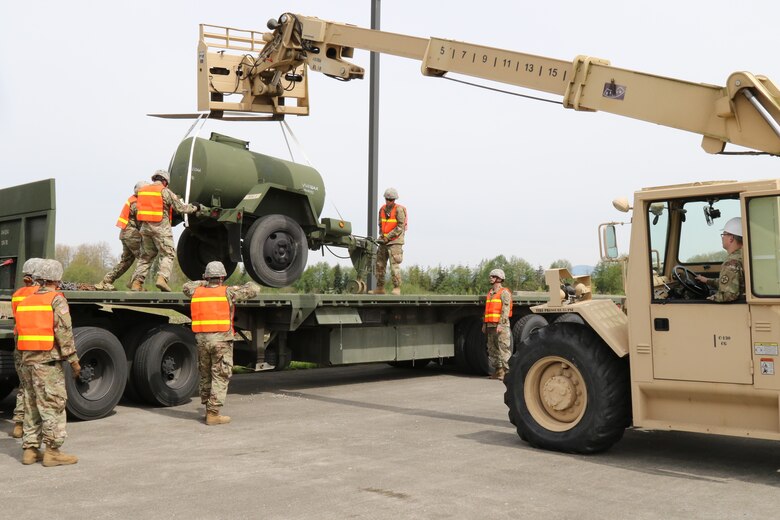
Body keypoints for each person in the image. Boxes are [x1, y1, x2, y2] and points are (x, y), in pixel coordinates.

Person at [15, 259, 81, 466]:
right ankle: (52, 452)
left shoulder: (27, 300)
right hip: (47, 362)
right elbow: (64, 333)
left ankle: (30, 450)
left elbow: (19, 333)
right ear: (56, 279)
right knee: (53, 404)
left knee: (31, 403)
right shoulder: (56, 299)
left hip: (27, 361)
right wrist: (73, 361)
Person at [182, 261, 260, 425]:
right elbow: (254, 289)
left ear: (206, 276)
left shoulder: (196, 291)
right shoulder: (228, 292)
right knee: (221, 375)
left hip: (202, 341)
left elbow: (186, 286)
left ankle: (207, 408)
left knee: (206, 375)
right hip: (221, 341)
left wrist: (204, 282)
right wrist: (239, 286)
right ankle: (213, 413)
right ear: (222, 277)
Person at [130, 170, 201, 292]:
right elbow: (180, 208)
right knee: (168, 253)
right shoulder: (164, 191)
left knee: (146, 256)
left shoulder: (143, 191)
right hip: (161, 228)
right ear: (164, 181)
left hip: (145, 228)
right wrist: (195, 207)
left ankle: (136, 283)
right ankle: (162, 279)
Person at [9, 258, 43, 439]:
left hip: (20, 340)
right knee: (33, 387)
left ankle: (18, 424)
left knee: (23, 383)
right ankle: (32, 425)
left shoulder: (17, 294)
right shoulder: (41, 293)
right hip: (36, 345)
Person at [95, 181, 146, 291]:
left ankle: (106, 281)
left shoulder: (133, 200)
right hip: (132, 235)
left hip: (126, 234)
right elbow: (141, 221)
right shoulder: (137, 203)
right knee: (145, 258)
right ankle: (134, 283)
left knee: (126, 261)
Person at [695, 216, 745, 302]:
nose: (722, 237)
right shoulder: (743, 255)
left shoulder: (731, 263)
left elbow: (729, 295)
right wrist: (707, 280)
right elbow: (732, 283)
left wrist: (709, 299)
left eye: (724, 234)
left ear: (731, 238)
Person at [372, 187, 406, 295]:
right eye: (387, 199)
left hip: (395, 242)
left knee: (394, 265)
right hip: (384, 241)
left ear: (394, 200)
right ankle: (380, 287)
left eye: (391, 199)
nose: (389, 201)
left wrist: (389, 237)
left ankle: (396, 287)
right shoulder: (382, 209)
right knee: (379, 264)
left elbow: (400, 227)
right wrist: (382, 236)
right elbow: (381, 224)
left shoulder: (399, 210)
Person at [482, 268, 512, 381]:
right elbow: (487, 310)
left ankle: (507, 373)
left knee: (503, 348)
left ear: (499, 279)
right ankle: (498, 372)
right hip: (490, 325)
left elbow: (505, 310)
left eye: (493, 276)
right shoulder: (490, 293)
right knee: (492, 349)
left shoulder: (504, 293)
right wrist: (484, 324)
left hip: (501, 326)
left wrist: (501, 324)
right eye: (490, 276)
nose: (490, 278)